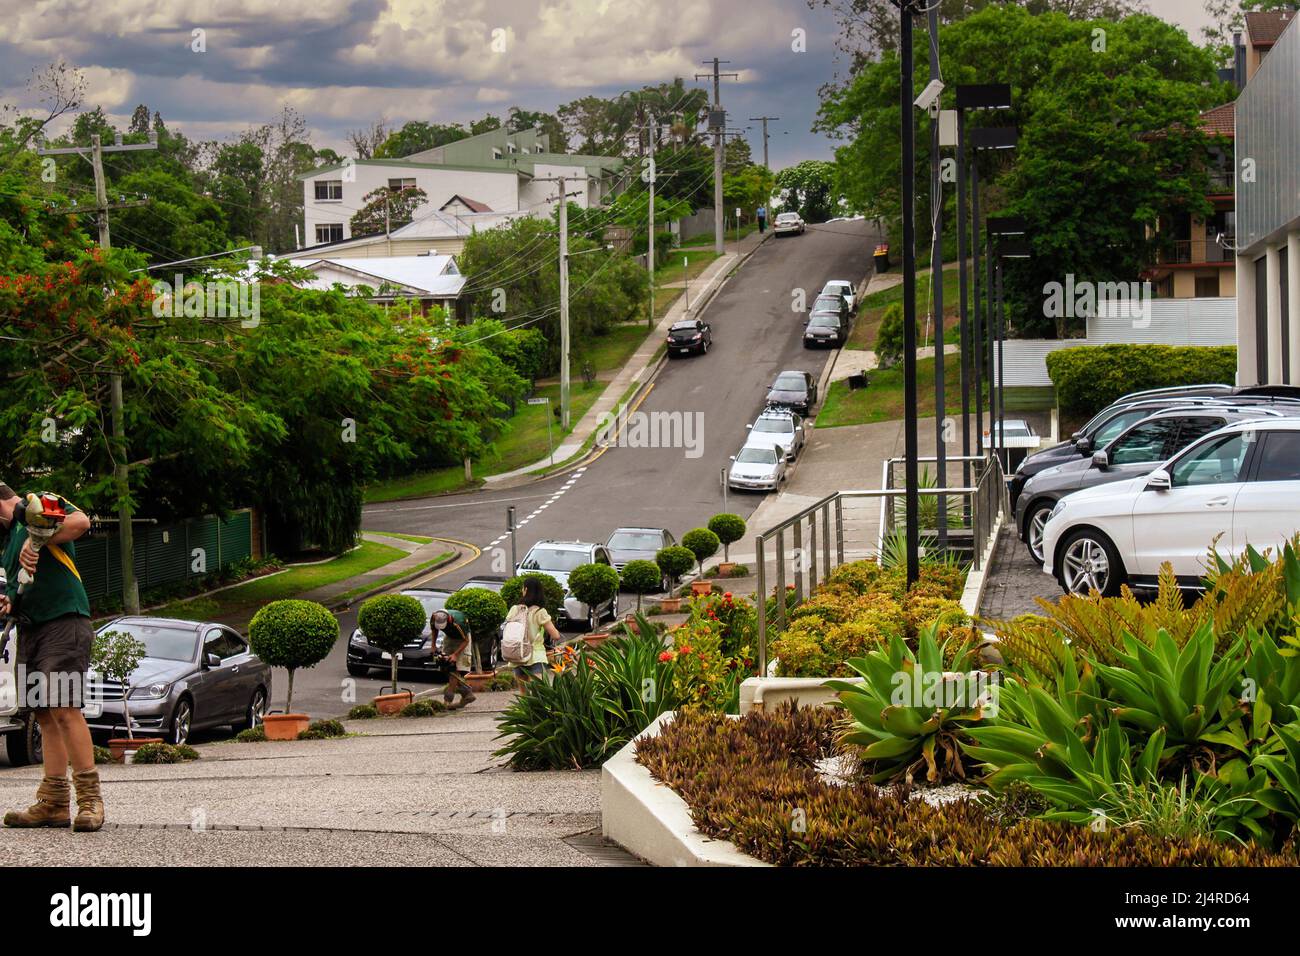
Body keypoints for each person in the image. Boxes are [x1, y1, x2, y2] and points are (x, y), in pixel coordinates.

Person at [0, 486, 102, 832]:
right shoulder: (6, 541)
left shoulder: (36, 504)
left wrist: (40, 539)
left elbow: (81, 522)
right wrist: (10, 601)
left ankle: (90, 801)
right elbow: (22, 586)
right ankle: (54, 802)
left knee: (63, 708)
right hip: (31, 629)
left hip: (64, 622)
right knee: (42, 713)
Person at [506, 577, 562, 685]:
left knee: (524, 696)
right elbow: (555, 635)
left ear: (526, 590)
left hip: (517, 654)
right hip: (536, 655)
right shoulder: (540, 612)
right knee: (538, 693)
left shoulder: (514, 609)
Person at [431, 608, 476, 709]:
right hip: (449, 637)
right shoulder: (434, 618)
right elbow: (434, 630)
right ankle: (468, 694)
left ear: (449, 620)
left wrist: (455, 654)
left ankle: (447, 700)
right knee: (445, 665)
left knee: (455, 669)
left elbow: (466, 640)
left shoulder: (458, 623)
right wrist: (433, 645)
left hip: (463, 639)